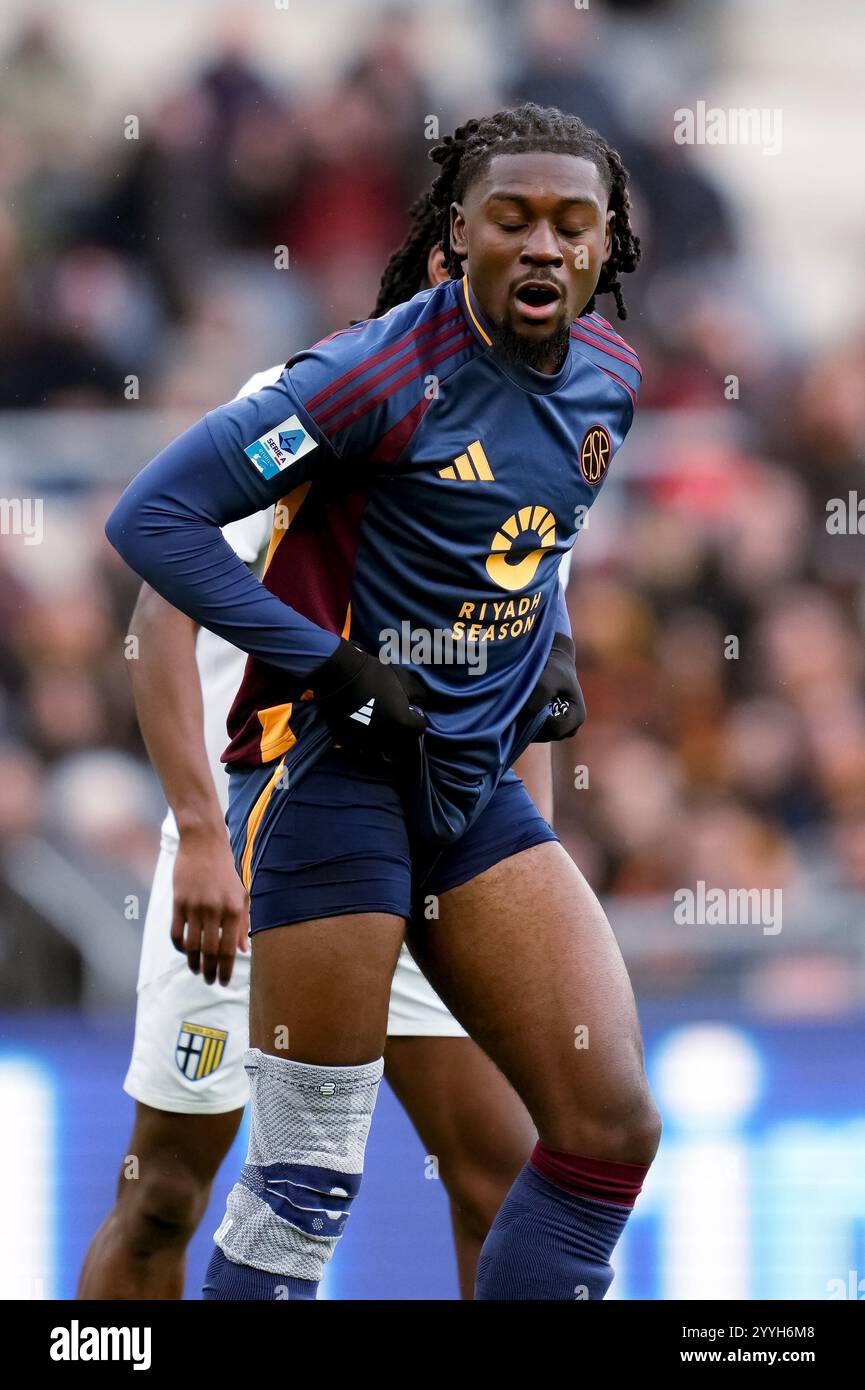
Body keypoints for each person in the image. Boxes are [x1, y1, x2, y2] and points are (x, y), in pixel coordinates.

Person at [106, 103, 661, 1301]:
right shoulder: (350, 383)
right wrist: (316, 681)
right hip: (296, 791)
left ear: (609, 244)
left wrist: (548, 652)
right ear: (449, 238)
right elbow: (155, 560)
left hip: (456, 804)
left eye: (573, 226)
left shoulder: (606, 378)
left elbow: (516, 549)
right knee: (220, 1189)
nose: (543, 250)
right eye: (509, 221)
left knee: (580, 1137)